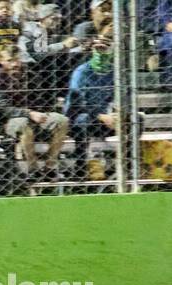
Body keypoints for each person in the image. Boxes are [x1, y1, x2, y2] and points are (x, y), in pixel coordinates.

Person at [0, 45, 69, 178]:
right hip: (12, 120)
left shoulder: (30, 74)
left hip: (36, 115)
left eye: (17, 60)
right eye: (10, 60)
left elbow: (43, 98)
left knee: (62, 120)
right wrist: (29, 113)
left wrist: (42, 113)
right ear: (1, 61)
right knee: (23, 124)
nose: (15, 64)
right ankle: (33, 168)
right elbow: (4, 108)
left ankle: (50, 166)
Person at [64, 33, 116, 179]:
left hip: (107, 120)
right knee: (83, 119)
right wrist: (100, 115)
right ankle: (80, 169)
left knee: (136, 119)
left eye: (104, 49)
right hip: (80, 119)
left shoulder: (115, 72)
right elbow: (78, 103)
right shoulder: (82, 72)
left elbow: (123, 96)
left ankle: (129, 165)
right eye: (97, 49)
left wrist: (118, 113)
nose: (100, 52)